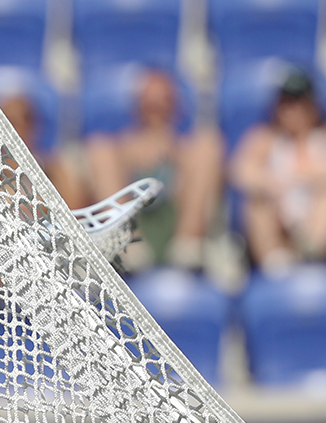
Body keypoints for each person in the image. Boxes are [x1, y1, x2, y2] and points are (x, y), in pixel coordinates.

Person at [83, 67, 224, 272]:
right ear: (137, 105)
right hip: (134, 229)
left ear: (175, 105)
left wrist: (168, 149)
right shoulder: (118, 147)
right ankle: (127, 242)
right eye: (149, 102)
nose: (155, 107)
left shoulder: (188, 148)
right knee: (99, 149)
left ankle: (188, 243)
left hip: (177, 224)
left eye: (162, 101)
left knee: (208, 146)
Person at [229, 67, 326, 275]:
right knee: (257, 203)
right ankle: (275, 262)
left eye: (300, 104)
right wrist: (271, 185)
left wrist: (303, 175)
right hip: (281, 220)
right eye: (287, 105)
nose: (293, 111)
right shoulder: (264, 139)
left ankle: (314, 253)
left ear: (313, 106)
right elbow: (240, 172)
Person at [0, 86, 87, 211]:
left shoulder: (53, 169)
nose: (16, 129)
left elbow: (77, 212)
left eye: (26, 120)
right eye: (9, 122)